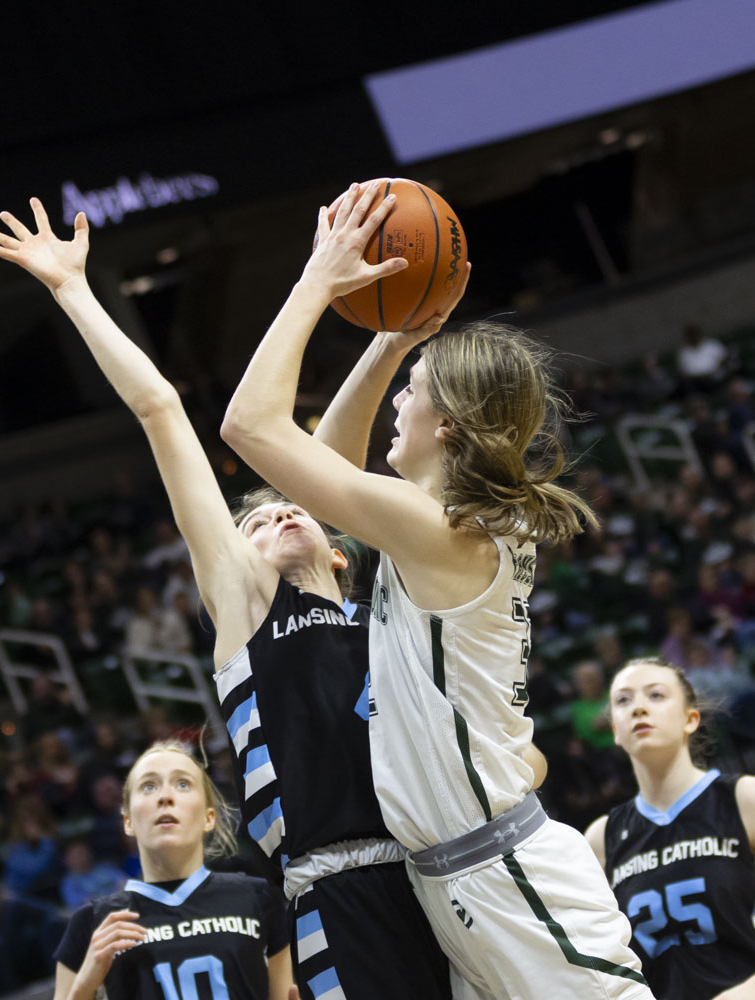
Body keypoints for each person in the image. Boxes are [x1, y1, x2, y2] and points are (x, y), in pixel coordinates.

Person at [0, 197, 448, 998]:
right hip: (335, 891)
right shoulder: (247, 606)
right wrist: (72, 290)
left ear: (340, 554)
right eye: (257, 522)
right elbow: (162, 408)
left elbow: (332, 462)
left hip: (435, 873)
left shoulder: (371, 607)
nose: (278, 510)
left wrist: (395, 335)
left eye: (292, 507)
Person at [218, 179, 648, 998]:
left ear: (445, 425)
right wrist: (390, 342)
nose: (396, 404)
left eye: (411, 389)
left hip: (506, 878)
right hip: (457, 881)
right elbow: (320, 481)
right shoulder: (437, 523)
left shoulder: (444, 532)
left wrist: (319, 281)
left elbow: (250, 426)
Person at [49, 742, 290, 1000]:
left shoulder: (258, 897)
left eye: (183, 784)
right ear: (128, 821)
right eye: (148, 786)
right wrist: (86, 983)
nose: (164, 797)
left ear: (209, 818)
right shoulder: (92, 921)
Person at [586, 658, 755, 999]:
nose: (638, 708)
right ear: (615, 730)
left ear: (690, 719)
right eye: (624, 700)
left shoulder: (743, 797)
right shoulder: (600, 839)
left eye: (656, 695)